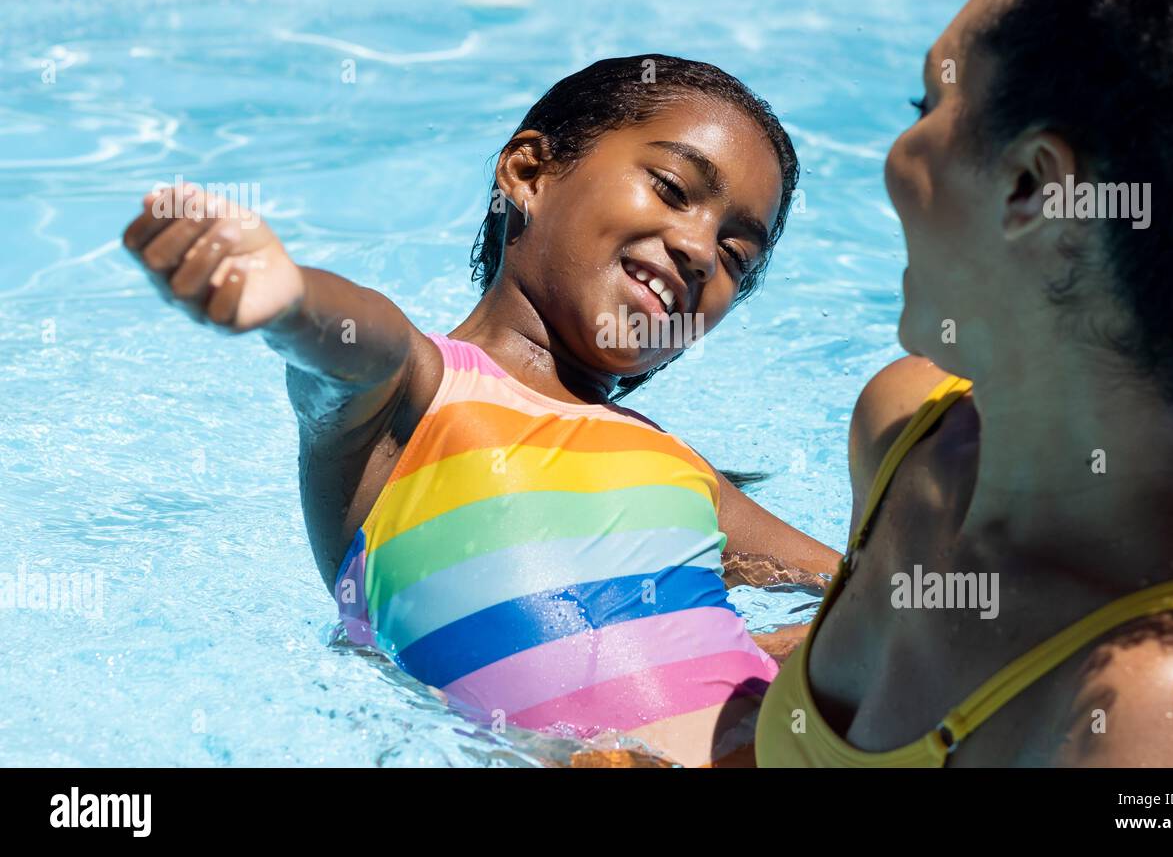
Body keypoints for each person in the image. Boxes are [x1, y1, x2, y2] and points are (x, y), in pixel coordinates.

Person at [122, 54, 840, 768]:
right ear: (528, 173)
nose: (697, 249)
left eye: (736, 254)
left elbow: (872, 599)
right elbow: (358, 346)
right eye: (671, 188)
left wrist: (775, 652)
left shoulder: (680, 469)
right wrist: (288, 300)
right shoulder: (417, 399)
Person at [757, 0, 1173, 767]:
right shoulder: (902, 435)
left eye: (927, 101)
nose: (895, 156)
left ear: (1034, 188)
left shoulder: (1168, 703)